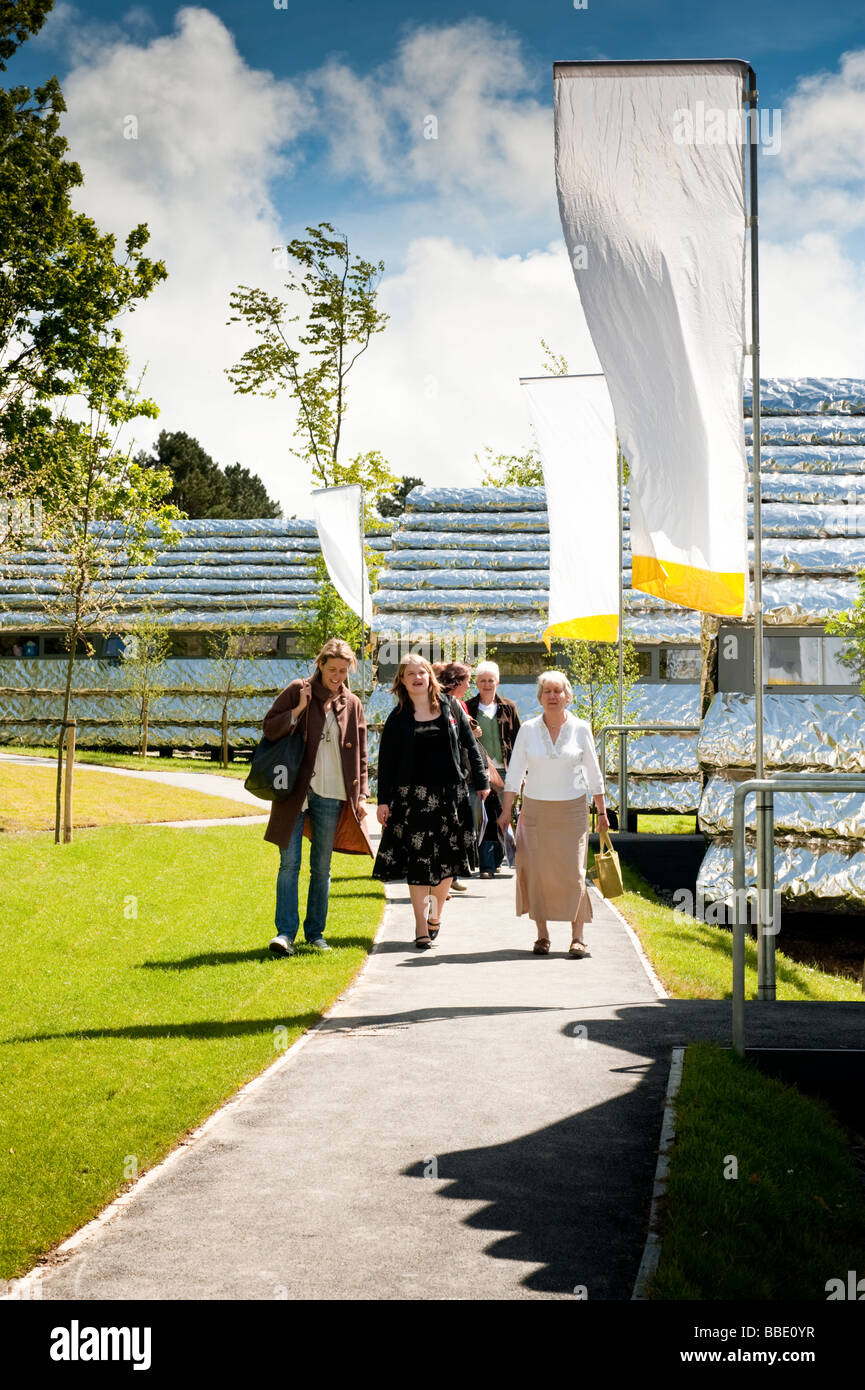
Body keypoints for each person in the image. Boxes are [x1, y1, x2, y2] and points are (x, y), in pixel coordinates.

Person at [262, 638, 372, 957]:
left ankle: (315, 933)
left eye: (343, 670)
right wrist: (296, 710)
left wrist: (362, 794)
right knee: (289, 863)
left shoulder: (351, 703)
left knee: (321, 867)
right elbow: (270, 728)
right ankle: (285, 934)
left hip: (333, 792)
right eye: (332, 668)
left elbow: (361, 752)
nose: (337, 675)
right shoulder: (299, 690)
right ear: (320, 664)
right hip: (294, 791)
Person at [374, 656, 489, 948]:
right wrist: (383, 801)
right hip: (411, 799)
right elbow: (385, 762)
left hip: (450, 795)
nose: (416, 677)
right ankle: (419, 926)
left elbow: (469, 744)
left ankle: (435, 915)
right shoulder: (398, 716)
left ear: (430, 676)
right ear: (401, 680)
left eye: (421, 672)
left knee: (446, 863)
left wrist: (482, 781)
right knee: (418, 863)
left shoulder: (450, 707)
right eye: (409, 674)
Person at [498, 669, 608, 958]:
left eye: (558, 691)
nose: (553, 696)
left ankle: (578, 938)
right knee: (537, 874)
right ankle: (542, 936)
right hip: (534, 811)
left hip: (572, 811)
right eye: (547, 691)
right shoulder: (529, 729)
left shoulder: (581, 728)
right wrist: (506, 810)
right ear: (540, 697)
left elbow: (594, 773)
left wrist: (602, 811)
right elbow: (514, 772)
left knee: (574, 874)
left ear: (568, 696)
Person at [465, 660, 521, 879]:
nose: (487, 685)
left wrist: (522, 773)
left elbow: (518, 740)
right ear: (476, 684)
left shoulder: (508, 707)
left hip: (505, 770)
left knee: (502, 816)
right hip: (479, 771)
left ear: (497, 682)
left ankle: (496, 859)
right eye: (482, 681)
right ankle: (486, 866)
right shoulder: (468, 707)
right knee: (484, 815)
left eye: (491, 680)